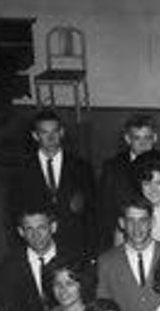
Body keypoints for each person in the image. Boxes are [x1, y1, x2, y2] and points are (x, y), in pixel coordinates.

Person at [6, 109, 95, 256]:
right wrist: (19, 252)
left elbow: (91, 213)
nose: (51, 137)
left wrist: (91, 251)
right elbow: (14, 213)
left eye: (55, 131)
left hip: (75, 246)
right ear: (35, 136)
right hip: (37, 247)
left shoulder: (81, 167)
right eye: (44, 132)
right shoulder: (22, 170)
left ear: (62, 133)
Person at [97, 113, 160, 244]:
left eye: (147, 138)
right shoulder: (112, 167)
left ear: (155, 138)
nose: (143, 144)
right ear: (127, 139)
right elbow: (105, 209)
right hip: (125, 235)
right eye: (137, 138)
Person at [95, 199, 160, 311]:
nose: (137, 228)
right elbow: (103, 309)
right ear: (122, 223)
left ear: (152, 222)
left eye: (143, 220)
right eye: (131, 221)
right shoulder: (107, 262)